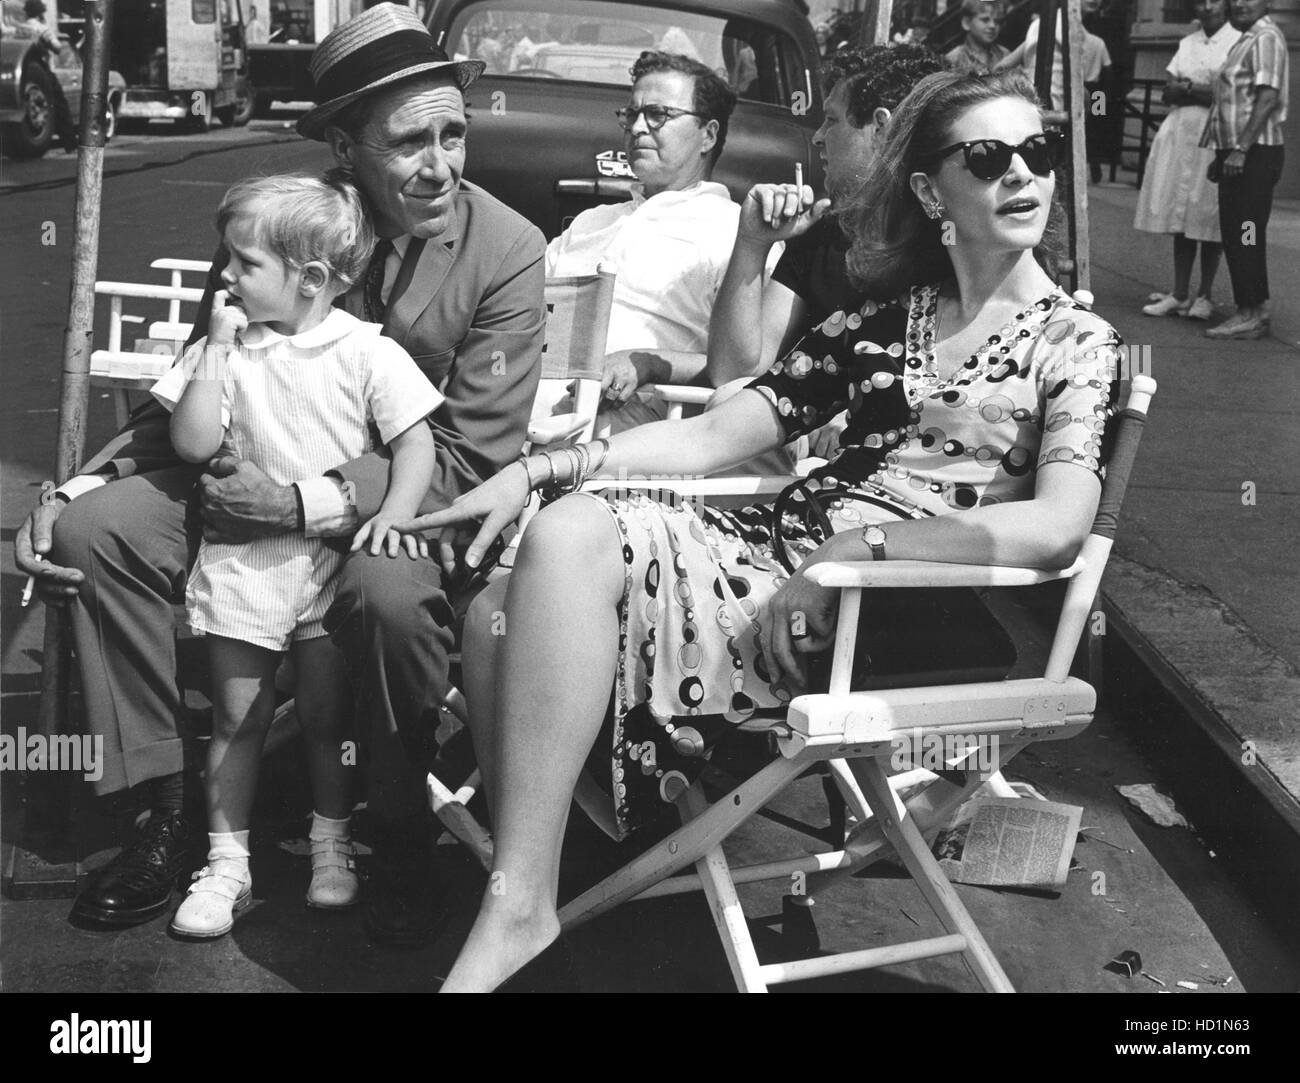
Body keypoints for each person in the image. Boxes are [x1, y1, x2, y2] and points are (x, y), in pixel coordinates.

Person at [400, 69, 1121, 992]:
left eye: (1039, 151)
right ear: (931, 191)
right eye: (988, 156)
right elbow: (712, 431)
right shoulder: (884, 318)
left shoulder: (1074, 341)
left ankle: (525, 899)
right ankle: (532, 880)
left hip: (878, 608)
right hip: (773, 555)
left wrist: (853, 556)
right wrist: (535, 468)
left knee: (560, 550)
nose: (1022, 173)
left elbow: (1058, 524)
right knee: (509, 593)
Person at [15, 3, 545, 946]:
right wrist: (71, 490)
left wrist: (308, 503)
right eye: (409, 141)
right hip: (233, 485)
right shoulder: (282, 219)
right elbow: (191, 381)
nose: (441, 165)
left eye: (453, 133)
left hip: (392, 508)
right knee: (99, 536)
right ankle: (169, 811)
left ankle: (393, 828)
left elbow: (469, 450)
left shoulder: (505, 250)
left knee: (388, 596)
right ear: (345, 145)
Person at [152, 174, 440, 937]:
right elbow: (192, 442)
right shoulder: (231, 349)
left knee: (323, 716)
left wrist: (398, 513)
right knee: (238, 717)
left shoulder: (366, 351)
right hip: (246, 563)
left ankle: (331, 841)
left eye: (244, 264)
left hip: (322, 563)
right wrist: (213, 349)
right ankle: (226, 864)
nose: (226, 276)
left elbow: (417, 441)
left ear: (310, 280)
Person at [707, 44, 946, 459]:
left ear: (881, 127)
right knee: (731, 400)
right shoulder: (823, 234)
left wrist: (862, 410)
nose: (817, 137)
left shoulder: (947, 239)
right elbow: (735, 371)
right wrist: (752, 243)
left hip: (921, 457)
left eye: (832, 121)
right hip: (811, 443)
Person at [544, 50, 778, 431]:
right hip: (521, 415)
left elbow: (747, 371)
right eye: (631, 114)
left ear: (709, 134)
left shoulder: (738, 233)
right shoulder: (590, 222)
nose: (637, 128)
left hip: (629, 439)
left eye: (658, 115)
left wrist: (647, 362)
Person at [1134, 0, 1239, 320]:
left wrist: (1188, 87)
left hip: (1214, 134)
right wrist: (1194, 90)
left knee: (1207, 213)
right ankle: (1179, 292)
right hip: (1181, 133)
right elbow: (1168, 93)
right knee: (1181, 214)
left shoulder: (1238, 41)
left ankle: (1205, 295)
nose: (1208, 7)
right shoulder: (1188, 42)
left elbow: (1228, 94)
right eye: (1203, 1)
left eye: (1215, 1)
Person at [1201, 0, 1289, 341]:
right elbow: (1231, 102)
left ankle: (1251, 311)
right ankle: (1254, 308)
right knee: (1240, 232)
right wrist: (1220, 154)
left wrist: (1239, 150)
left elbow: (1267, 97)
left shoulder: (1265, 37)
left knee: (1246, 231)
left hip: (1253, 154)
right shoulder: (1246, 38)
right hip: (1238, 155)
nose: (1239, 3)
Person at [20, 0, 75, 151]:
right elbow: (57, 48)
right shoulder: (42, 28)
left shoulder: (20, 29)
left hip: (23, 71)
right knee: (60, 103)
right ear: (39, 13)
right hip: (42, 68)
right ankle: (70, 142)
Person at [945, 0, 1009, 76]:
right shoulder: (954, 58)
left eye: (997, 21)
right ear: (966, 23)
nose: (992, 25)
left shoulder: (1005, 54)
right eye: (985, 20)